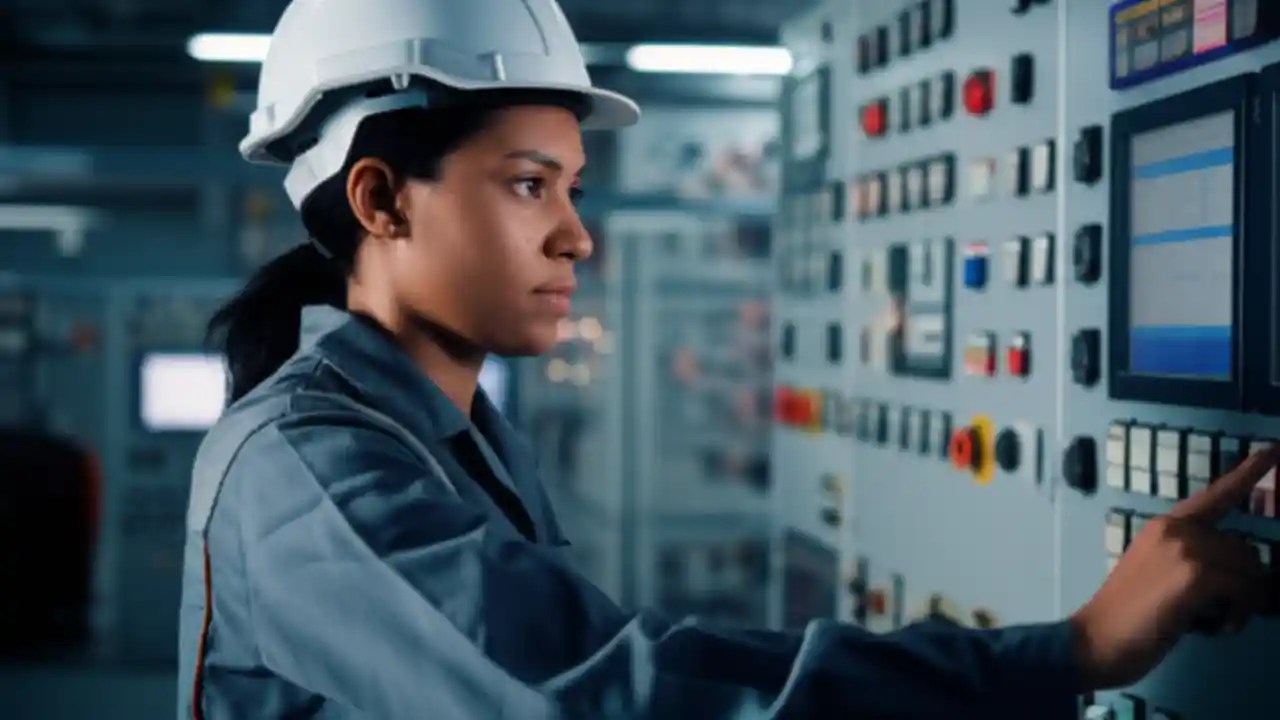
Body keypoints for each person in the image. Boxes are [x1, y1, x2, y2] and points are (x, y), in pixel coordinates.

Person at [176, 0, 1280, 717]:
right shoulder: (307, 469)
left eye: (573, 186)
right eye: (526, 184)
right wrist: (1071, 651)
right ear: (379, 201)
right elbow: (608, 694)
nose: (575, 233)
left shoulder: (445, 434)